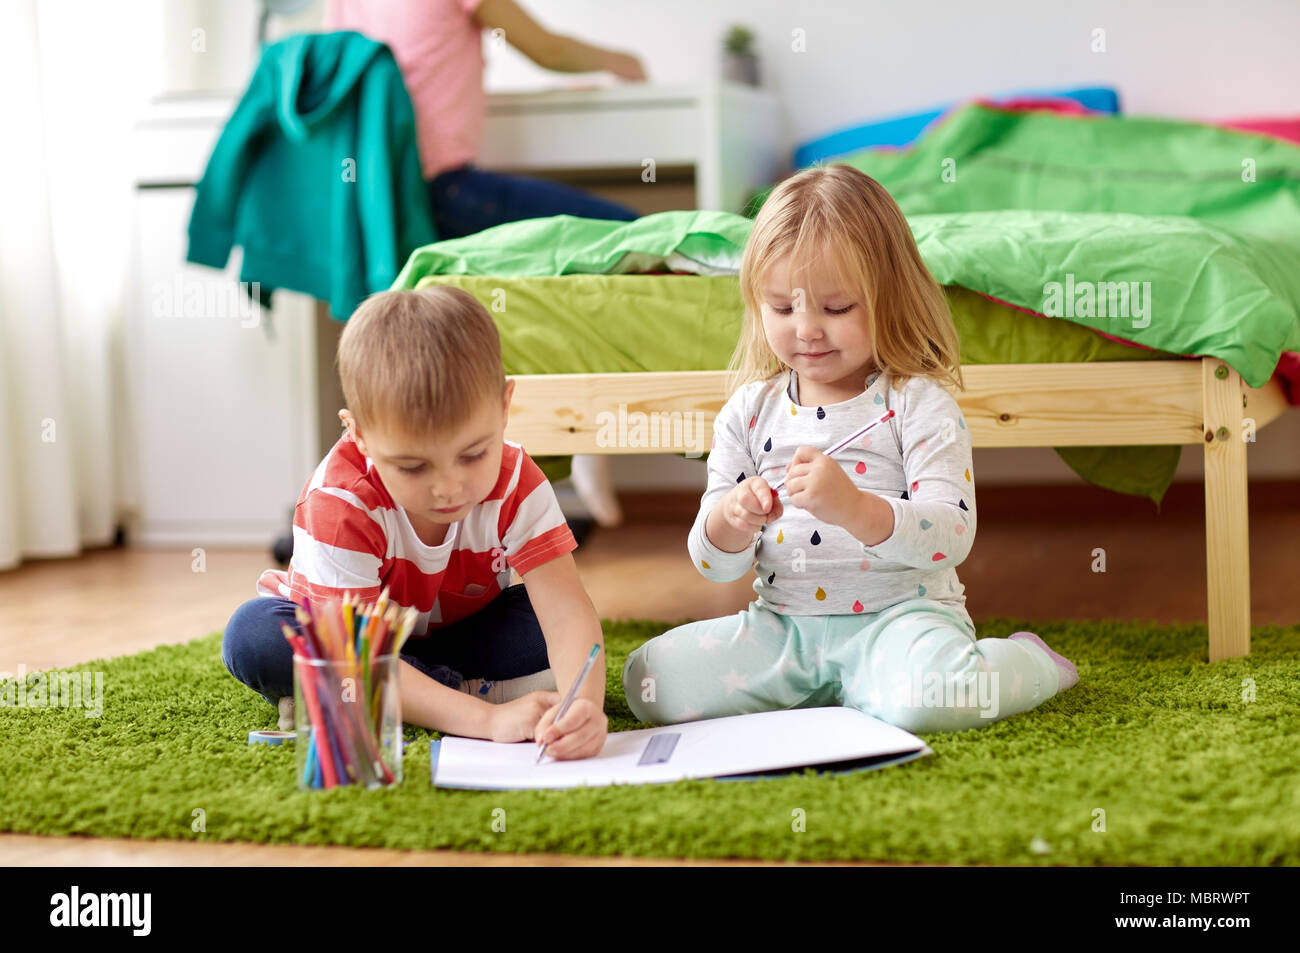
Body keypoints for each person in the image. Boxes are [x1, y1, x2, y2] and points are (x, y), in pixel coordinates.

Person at [621, 164, 1079, 734]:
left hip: (899, 625)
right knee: (650, 681)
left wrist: (856, 509)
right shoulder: (748, 411)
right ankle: (837, 688)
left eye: (836, 308)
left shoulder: (918, 404)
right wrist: (731, 520)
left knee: (933, 698)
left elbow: (953, 535)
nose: (807, 330)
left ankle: (1032, 660)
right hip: (784, 632)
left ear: (890, 298)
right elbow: (712, 565)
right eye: (782, 308)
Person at [224, 286, 608, 760]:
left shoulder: (516, 480)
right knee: (255, 637)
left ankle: (384, 698)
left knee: (546, 620)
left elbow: (566, 609)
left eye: (473, 455)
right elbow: (352, 653)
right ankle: (463, 696)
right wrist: (487, 721)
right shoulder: (340, 501)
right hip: (350, 646)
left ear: (505, 405)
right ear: (359, 435)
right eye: (412, 467)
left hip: (453, 637)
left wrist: (583, 706)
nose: (448, 488)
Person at [324, 0, 650, 532]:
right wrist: (625, 62)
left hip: (385, 201)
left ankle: (568, 436)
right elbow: (546, 49)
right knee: (631, 239)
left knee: (540, 278)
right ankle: (585, 430)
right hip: (447, 189)